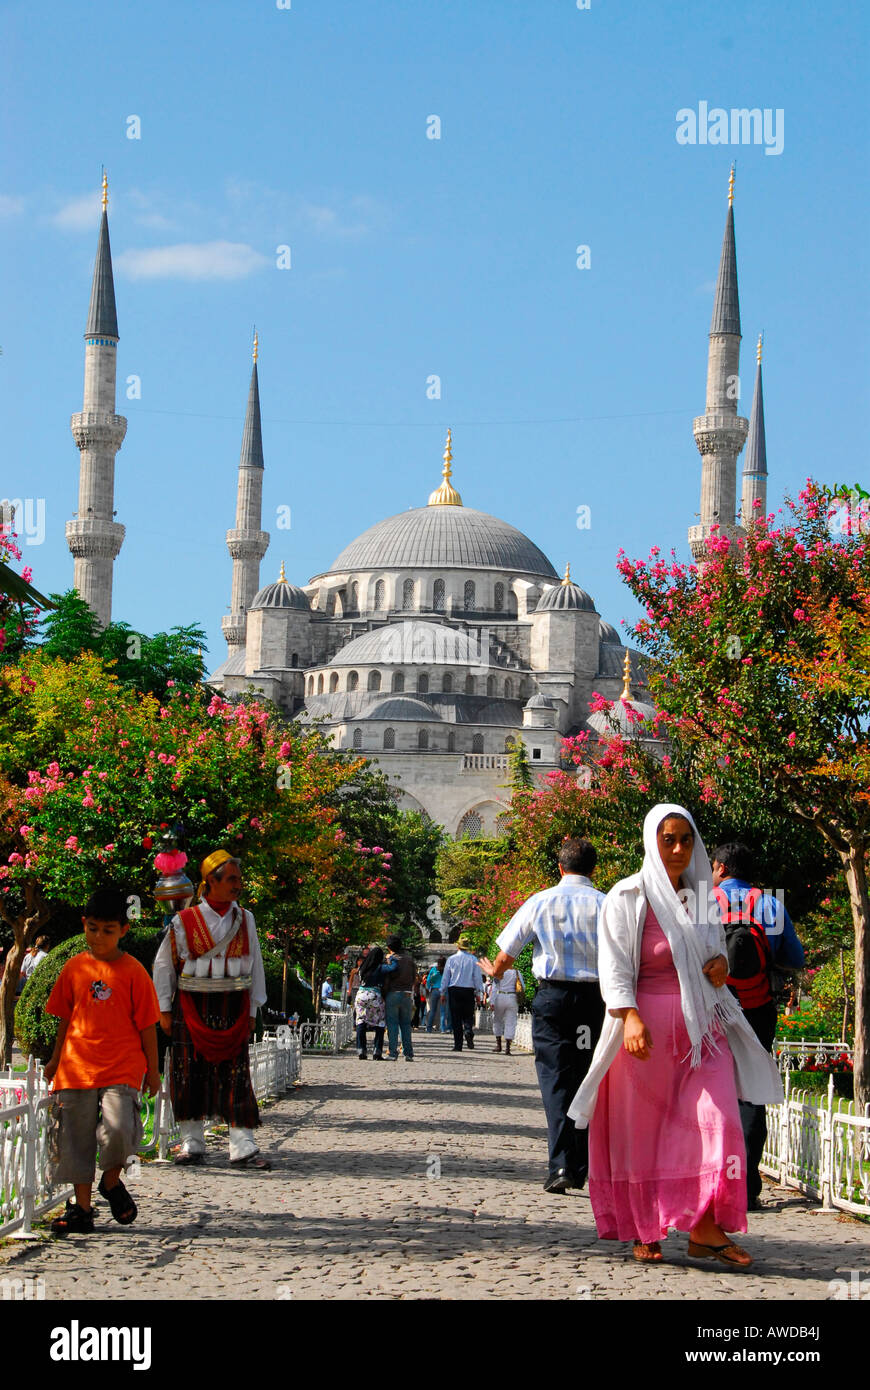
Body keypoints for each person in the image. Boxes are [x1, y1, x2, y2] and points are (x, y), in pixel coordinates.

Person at [568, 805, 782, 1267]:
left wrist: (722, 965)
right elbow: (614, 965)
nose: (680, 849)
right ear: (652, 842)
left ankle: (705, 1225)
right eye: (669, 839)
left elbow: (709, 955)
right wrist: (628, 1017)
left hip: (702, 1030)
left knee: (720, 1120)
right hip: (642, 1036)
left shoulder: (702, 897)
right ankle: (646, 1227)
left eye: (687, 838)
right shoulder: (628, 895)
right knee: (643, 1133)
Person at [480, 838, 605, 1193]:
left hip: (554, 999)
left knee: (556, 1077)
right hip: (594, 1000)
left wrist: (496, 971)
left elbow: (506, 955)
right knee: (589, 1076)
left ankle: (563, 1165)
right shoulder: (608, 904)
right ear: (593, 870)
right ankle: (587, 1162)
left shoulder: (541, 901)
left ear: (561, 868)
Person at [43, 887, 160, 1234]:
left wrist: (152, 1071)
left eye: (108, 930)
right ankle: (81, 1209)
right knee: (75, 1139)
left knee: (121, 1130)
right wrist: (54, 1058)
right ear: (84, 924)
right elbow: (65, 1016)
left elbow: (148, 1026)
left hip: (122, 1067)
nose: (98, 937)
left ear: (123, 930)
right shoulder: (74, 967)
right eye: (92, 928)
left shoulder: (134, 972)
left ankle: (110, 1182)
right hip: (76, 1066)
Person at [152, 849, 271, 1168]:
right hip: (190, 1007)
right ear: (211, 882)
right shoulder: (184, 921)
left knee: (236, 1078)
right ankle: (191, 1143)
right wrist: (164, 1008)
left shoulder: (246, 919)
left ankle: (243, 1146)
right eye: (231, 879)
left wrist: (252, 1011)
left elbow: (255, 964)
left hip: (234, 1006)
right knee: (188, 1074)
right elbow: (164, 966)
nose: (238, 885)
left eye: (238, 879)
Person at [712, 842, 805, 1210]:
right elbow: (794, 958)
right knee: (751, 1093)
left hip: (713, 1010)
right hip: (756, 1007)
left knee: (709, 1088)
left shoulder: (701, 903)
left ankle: (712, 1182)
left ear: (719, 868)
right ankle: (747, 1187)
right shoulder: (770, 904)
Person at [440, 935, 485, 1051]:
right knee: (468, 1015)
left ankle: (458, 1045)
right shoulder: (473, 959)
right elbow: (477, 978)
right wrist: (479, 992)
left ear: (458, 947)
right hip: (468, 990)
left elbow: (446, 977)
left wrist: (442, 992)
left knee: (456, 1017)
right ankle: (468, 1030)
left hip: (454, 990)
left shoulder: (451, 959)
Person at [353, 946, 397, 1059]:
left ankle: (361, 1050)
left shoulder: (362, 968)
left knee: (361, 1022)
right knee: (379, 1023)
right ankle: (377, 1051)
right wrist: (391, 958)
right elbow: (393, 967)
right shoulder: (380, 968)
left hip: (361, 995)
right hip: (374, 995)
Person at [382, 934, 417, 1061]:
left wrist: (384, 993)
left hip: (393, 992)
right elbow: (414, 977)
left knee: (392, 1024)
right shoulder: (409, 960)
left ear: (388, 947)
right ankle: (408, 1053)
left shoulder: (390, 959)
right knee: (406, 1024)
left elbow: (386, 978)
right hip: (407, 993)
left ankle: (392, 1052)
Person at [490, 965, 521, 1054]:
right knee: (510, 1022)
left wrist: (492, 1002)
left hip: (500, 997)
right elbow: (522, 986)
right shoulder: (516, 972)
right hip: (512, 997)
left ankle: (498, 1045)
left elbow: (495, 987)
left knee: (497, 1021)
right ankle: (508, 1047)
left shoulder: (499, 972)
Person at [426, 957, 445, 1033]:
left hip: (434, 990)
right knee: (442, 1011)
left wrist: (429, 987)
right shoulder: (446, 969)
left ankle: (429, 1028)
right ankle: (442, 1028)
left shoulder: (434, 969)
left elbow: (428, 980)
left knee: (432, 1010)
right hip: (443, 991)